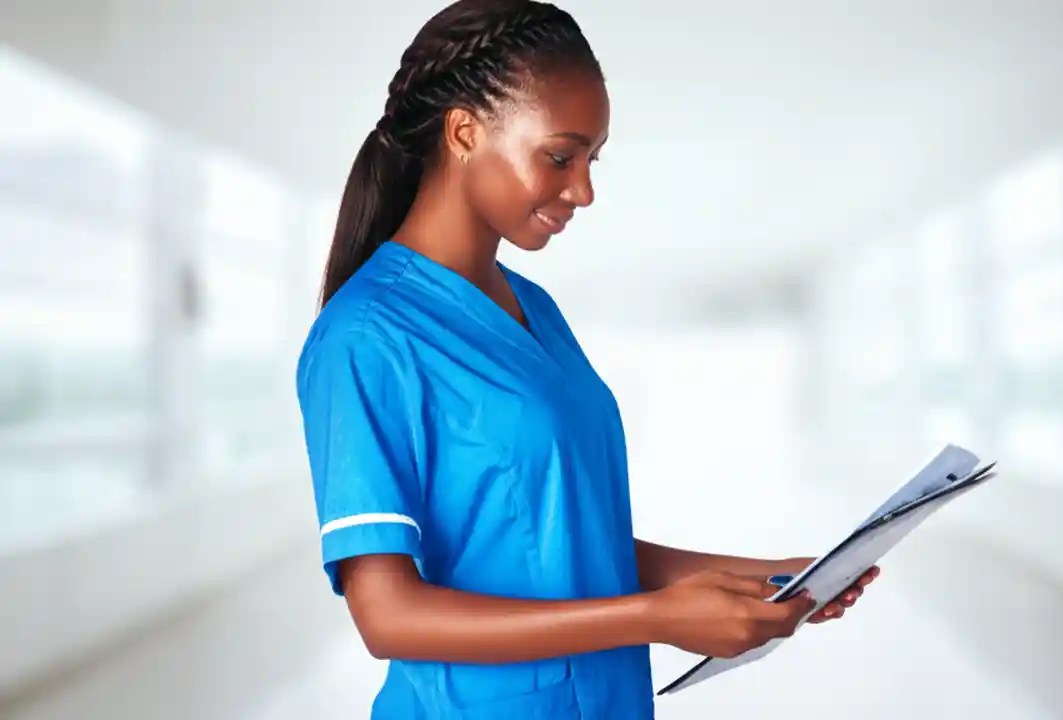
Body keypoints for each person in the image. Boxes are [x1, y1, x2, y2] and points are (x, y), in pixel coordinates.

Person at [294, 1, 879, 717]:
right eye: (561, 156)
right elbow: (387, 616)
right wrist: (656, 617)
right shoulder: (366, 336)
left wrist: (767, 578)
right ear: (464, 131)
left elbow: (565, 536)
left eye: (592, 160)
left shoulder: (533, 308)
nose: (584, 190)